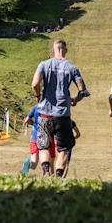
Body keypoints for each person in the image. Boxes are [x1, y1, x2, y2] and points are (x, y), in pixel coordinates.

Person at [31, 39, 87, 178]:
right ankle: (58, 175)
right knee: (63, 149)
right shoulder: (72, 68)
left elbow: (35, 84)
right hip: (62, 115)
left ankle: (46, 171)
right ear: (66, 50)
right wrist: (75, 100)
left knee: (43, 146)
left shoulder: (44, 64)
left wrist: (38, 96)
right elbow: (82, 90)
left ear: (53, 50)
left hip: (44, 113)